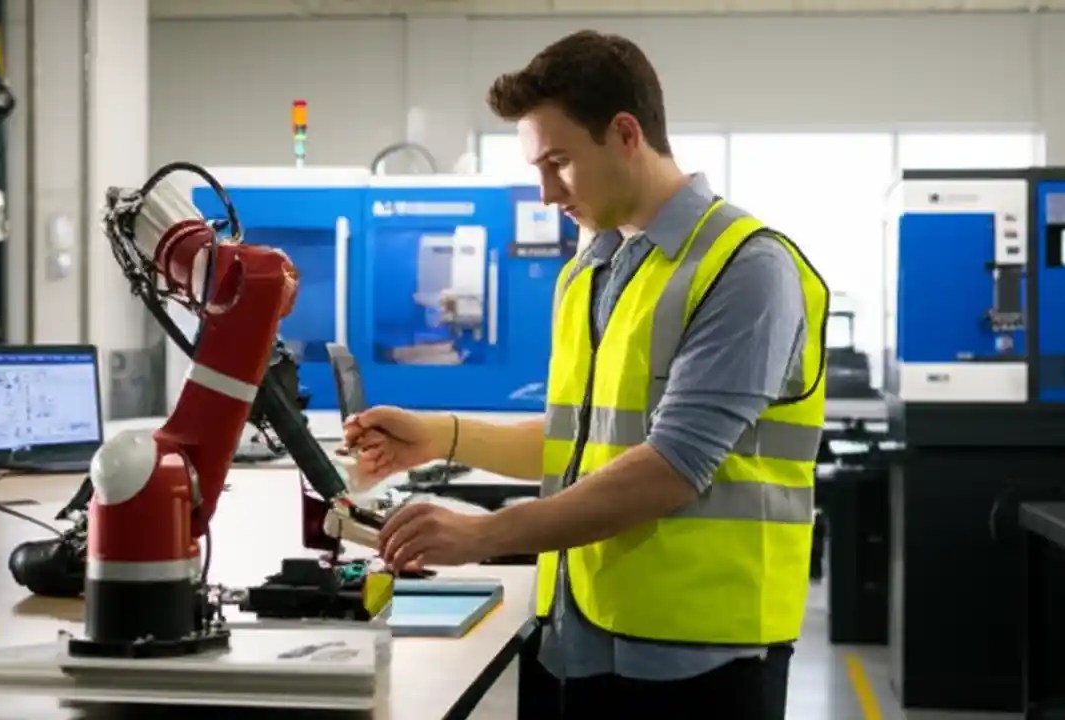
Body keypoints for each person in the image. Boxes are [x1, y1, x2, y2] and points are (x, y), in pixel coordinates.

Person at [342, 29, 830, 720]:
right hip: (573, 638)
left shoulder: (745, 267)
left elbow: (672, 464)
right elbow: (580, 442)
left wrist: (484, 536)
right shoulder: (594, 269)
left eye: (559, 162)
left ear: (626, 133)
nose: (545, 192)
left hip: (698, 660)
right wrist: (440, 436)